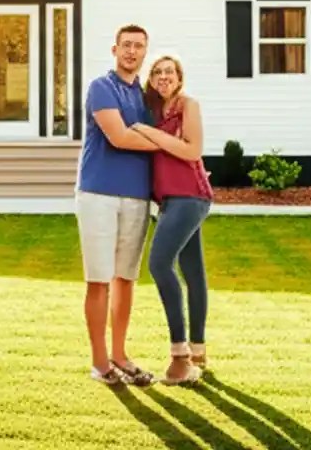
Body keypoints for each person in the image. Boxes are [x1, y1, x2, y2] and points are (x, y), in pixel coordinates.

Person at [75, 24, 158, 386]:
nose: (132, 52)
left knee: (126, 279)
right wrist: (172, 143)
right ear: (114, 49)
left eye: (139, 46)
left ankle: (120, 354)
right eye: (126, 45)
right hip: (98, 194)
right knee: (99, 281)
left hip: (137, 197)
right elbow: (119, 136)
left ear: (145, 52)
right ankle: (100, 363)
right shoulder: (100, 88)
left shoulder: (148, 97)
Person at [131, 53, 213, 385]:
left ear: (179, 79)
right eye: (158, 72)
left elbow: (192, 151)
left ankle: (179, 356)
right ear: (151, 79)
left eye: (170, 71)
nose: (164, 76)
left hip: (191, 196)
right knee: (193, 272)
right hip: (169, 200)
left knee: (159, 264)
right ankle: (198, 348)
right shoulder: (153, 113)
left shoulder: (187, 106)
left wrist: (148, 133)